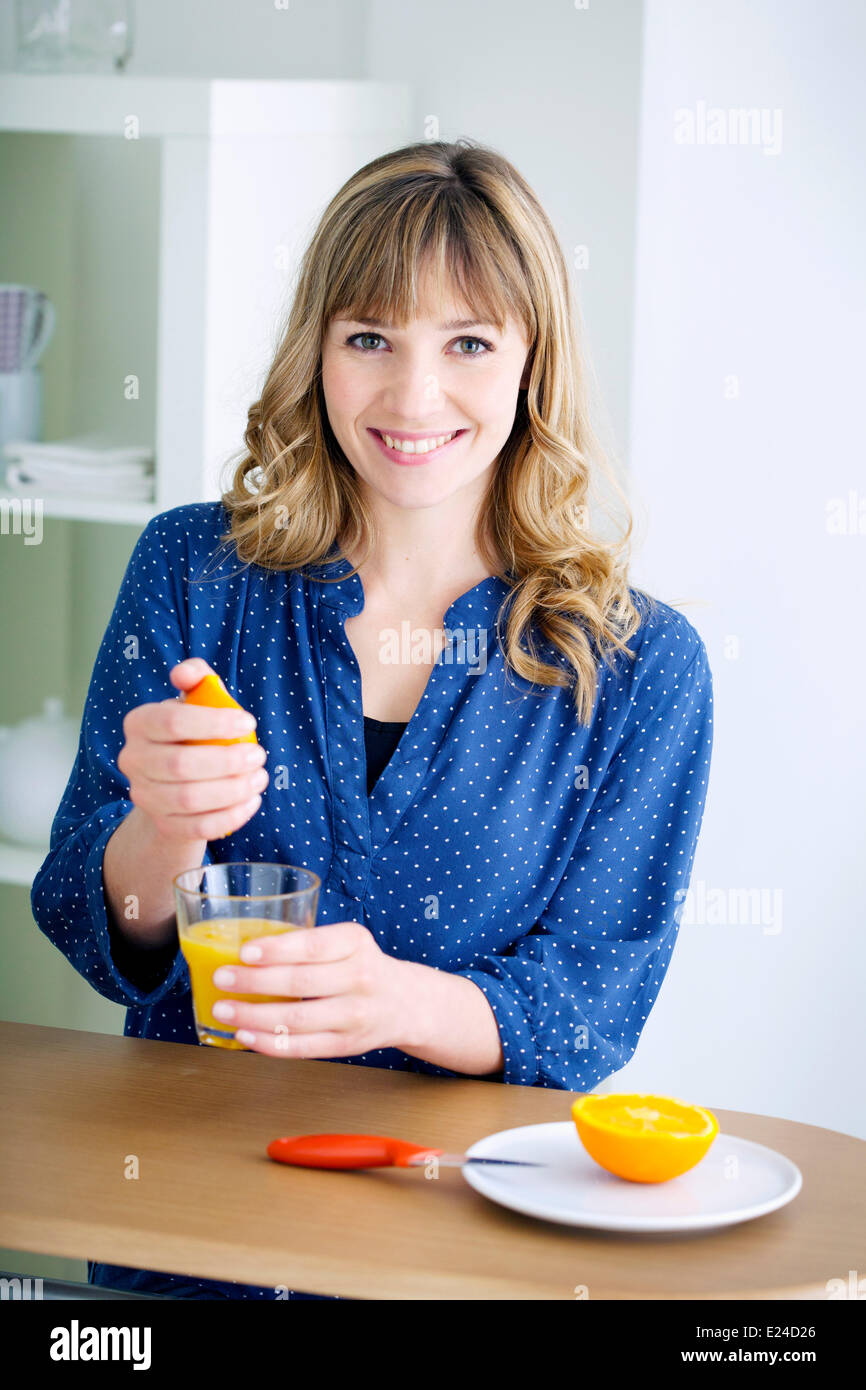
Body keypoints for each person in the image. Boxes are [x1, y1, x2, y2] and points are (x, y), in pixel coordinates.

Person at [31, 139, 714, 1299]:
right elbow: (93, 926)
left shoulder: (638, 667)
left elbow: (593, 1012)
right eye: (368, 339)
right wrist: (160, 833)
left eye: (466, 343)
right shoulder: (195, 574)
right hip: (190, 1239)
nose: (411, 397)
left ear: (529, 362)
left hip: (463, 1246)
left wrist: (396, 1000)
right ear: (318, 351)